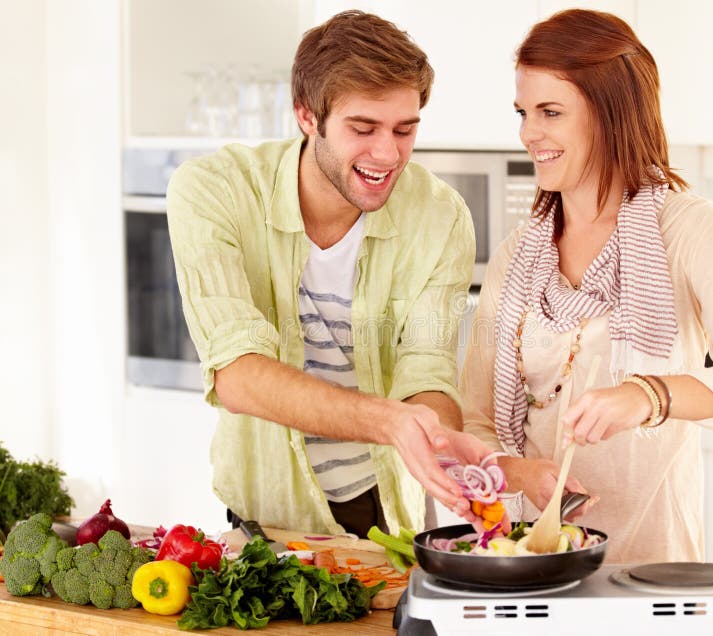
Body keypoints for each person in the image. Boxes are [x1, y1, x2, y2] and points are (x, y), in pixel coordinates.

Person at [460, 8, 713, 563]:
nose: (527, 133)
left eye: (550, 112)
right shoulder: (519, 254)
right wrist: (521, 474)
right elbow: (476, 416)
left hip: (653, 563)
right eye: (523, 112)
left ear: (610, 113)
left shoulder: (685, 228)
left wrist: (648, 395)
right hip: (534, 562)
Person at [167, 10, 492, 538]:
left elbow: (426, 367)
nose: (387, 154)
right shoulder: (215, 192)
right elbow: (237, 372)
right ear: (306, 115)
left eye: (404, 130)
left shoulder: (441, 216)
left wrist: (436, 433)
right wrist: (391, 422)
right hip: (263, 512)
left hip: (387, 511)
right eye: (362, 128)